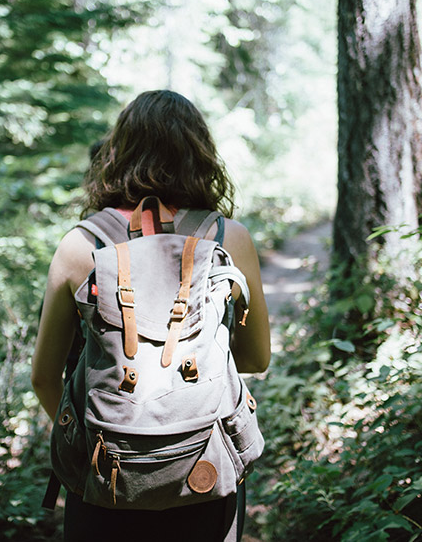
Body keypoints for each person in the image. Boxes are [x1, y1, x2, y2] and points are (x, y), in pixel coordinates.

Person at [31, 90, 272, 542]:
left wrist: (100, 440)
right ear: (200, 155)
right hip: (204, 472)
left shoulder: (79, 246)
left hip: (105, 478)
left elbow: (44, 378)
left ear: (117, 153)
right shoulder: (228, 238)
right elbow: (256, 359)